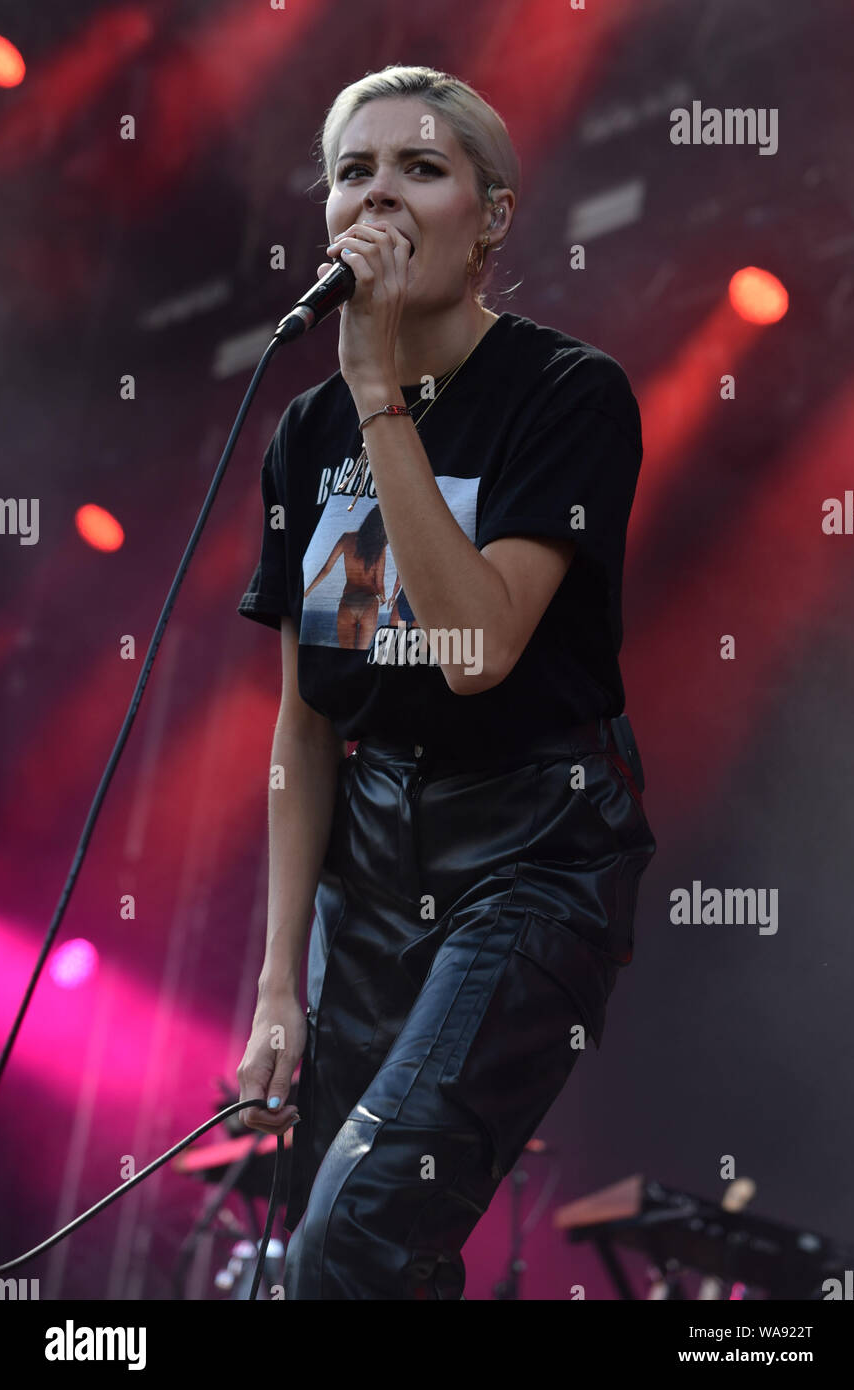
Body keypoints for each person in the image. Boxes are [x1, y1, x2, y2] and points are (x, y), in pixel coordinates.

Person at [235, 63, 657, 1300]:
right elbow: (305, 723)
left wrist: (379, 393)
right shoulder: (305, 436)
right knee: (334, 1246)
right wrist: (275, 989)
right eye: (352, 171)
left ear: (492, 217)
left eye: (420, 168)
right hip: (372, 864)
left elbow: (474, 651)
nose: (379, 196)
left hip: (534, 852)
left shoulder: (566, 395)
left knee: (358, 1232)